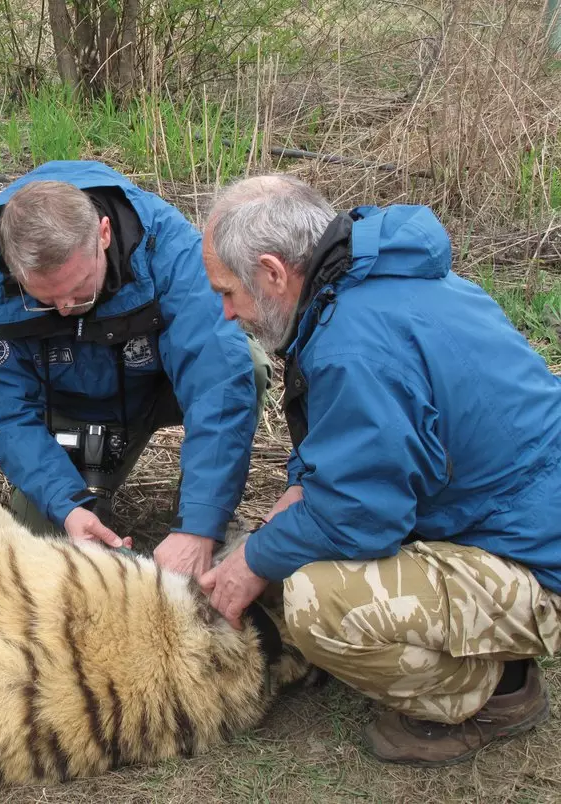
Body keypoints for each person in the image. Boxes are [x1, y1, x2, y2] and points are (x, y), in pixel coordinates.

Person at [198, 174, 561, 765]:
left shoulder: (354, 346)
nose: (226, 312)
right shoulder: (375, 285)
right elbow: (356, 442)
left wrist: (250, 562)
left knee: (318, 600)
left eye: (228, 292)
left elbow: (361, 519)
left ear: (271, 271)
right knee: (294, 541)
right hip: (515, 515)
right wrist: (296, 492)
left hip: (538, 560)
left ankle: (495, 691)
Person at [0, 161, 270, 576]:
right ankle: (86, 488)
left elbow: (217, 379)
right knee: (47, 552)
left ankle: (203, 518)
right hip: (64, 405)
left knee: (246, 365)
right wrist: (68, 505)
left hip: (151, 390)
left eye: (78, 289)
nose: (66, 309)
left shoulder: (165, 245)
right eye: (46, 300)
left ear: (103, 234)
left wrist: (199, 525)